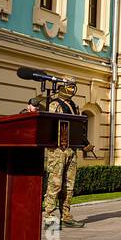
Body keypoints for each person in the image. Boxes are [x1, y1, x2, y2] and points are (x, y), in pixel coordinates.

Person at [33, 79, 84, 228]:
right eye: (69, 86)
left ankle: (66, 216)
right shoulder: (54, 104)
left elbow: (76, 126)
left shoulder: (73, 105)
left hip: (71, 149)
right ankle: (49, 216)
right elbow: (52, 126)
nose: (71, 89)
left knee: (69, 185)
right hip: (57, 150)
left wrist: (84, 144)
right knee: (55, 184)